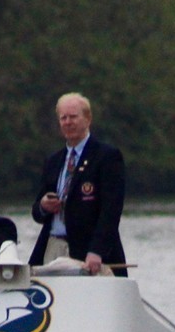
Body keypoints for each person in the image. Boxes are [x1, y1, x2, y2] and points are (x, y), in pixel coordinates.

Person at [28, 92, 127, 275]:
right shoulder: (53, 161)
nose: (68, 122)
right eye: (63, 118)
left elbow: (111, 210)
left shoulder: (107, 156)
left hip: (89, 251)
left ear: (87, 119)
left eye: (73, 117)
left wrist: (97, 250)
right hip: (54, 246)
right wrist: (43, 206)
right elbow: (37, 213)